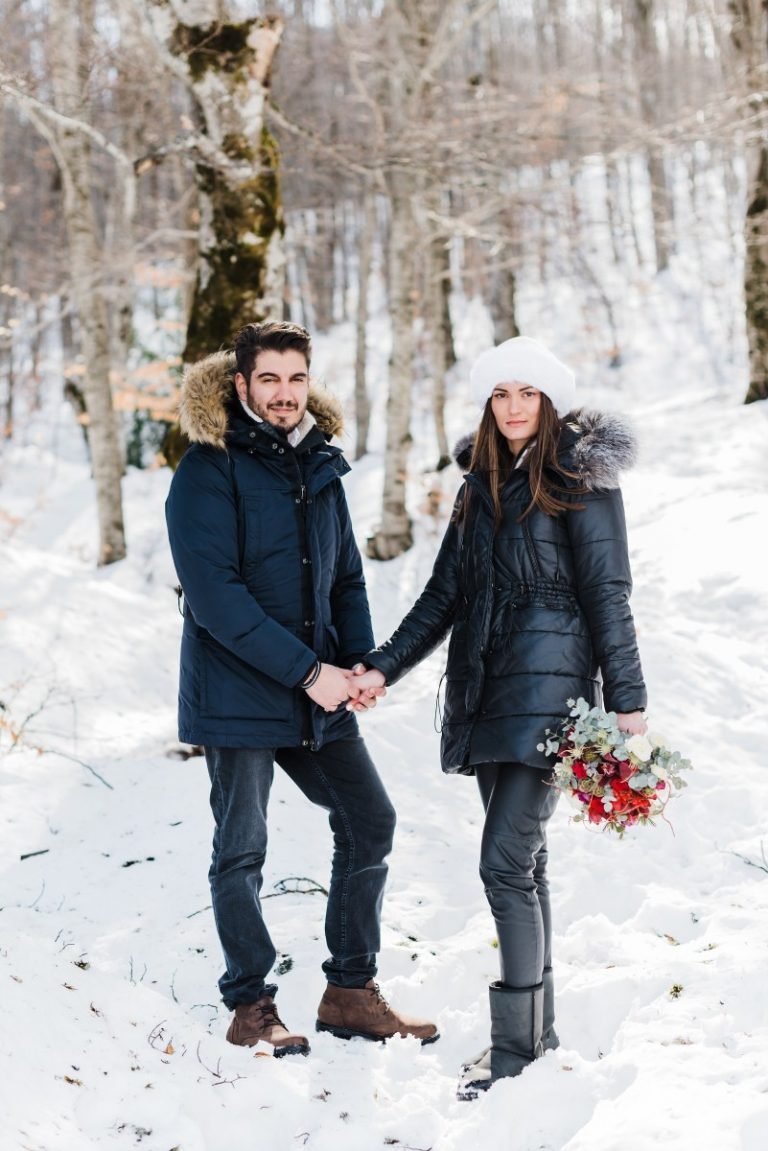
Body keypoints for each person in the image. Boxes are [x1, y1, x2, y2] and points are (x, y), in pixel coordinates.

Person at [351, 336, 647, 1097]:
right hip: (486, 689)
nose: (513, 407)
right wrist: (383, 664)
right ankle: (537, 1035)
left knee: (502, 863)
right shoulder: (479, 485)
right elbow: (444, 596)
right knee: (527, 864)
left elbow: (608, 591)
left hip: (550, 692)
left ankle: (513, 1052)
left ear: (550, 401)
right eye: (500, 394)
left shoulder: (581, 475)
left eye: (528, 393)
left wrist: (629, 704)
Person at [165, 320, 437, 1057]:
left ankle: (350, 990)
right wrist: (309, 672)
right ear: (241, 384)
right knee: (242, 847)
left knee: (368, 818)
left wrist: (354, 667)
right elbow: (216, 597)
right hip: (238, 692)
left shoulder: (318, 464)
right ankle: (251, 1004)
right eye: (269, 380)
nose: (284, 394)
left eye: (295, 379)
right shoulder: (206, 468)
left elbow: (345, 573)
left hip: (315, 692)